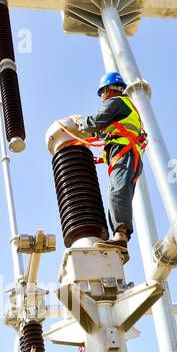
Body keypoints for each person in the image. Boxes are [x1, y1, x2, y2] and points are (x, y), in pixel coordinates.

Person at [64, 72, 145, 255]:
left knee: (117, 191)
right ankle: (120, 243)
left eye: (102, 92)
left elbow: (94, 123)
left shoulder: (116, 102)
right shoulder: (124, 109)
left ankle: (120, 236)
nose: (102, 97)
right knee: (118, 192)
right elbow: (105, 132)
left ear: (109, 89)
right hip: (129, 156)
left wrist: (81, 122)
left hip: (125, 154)